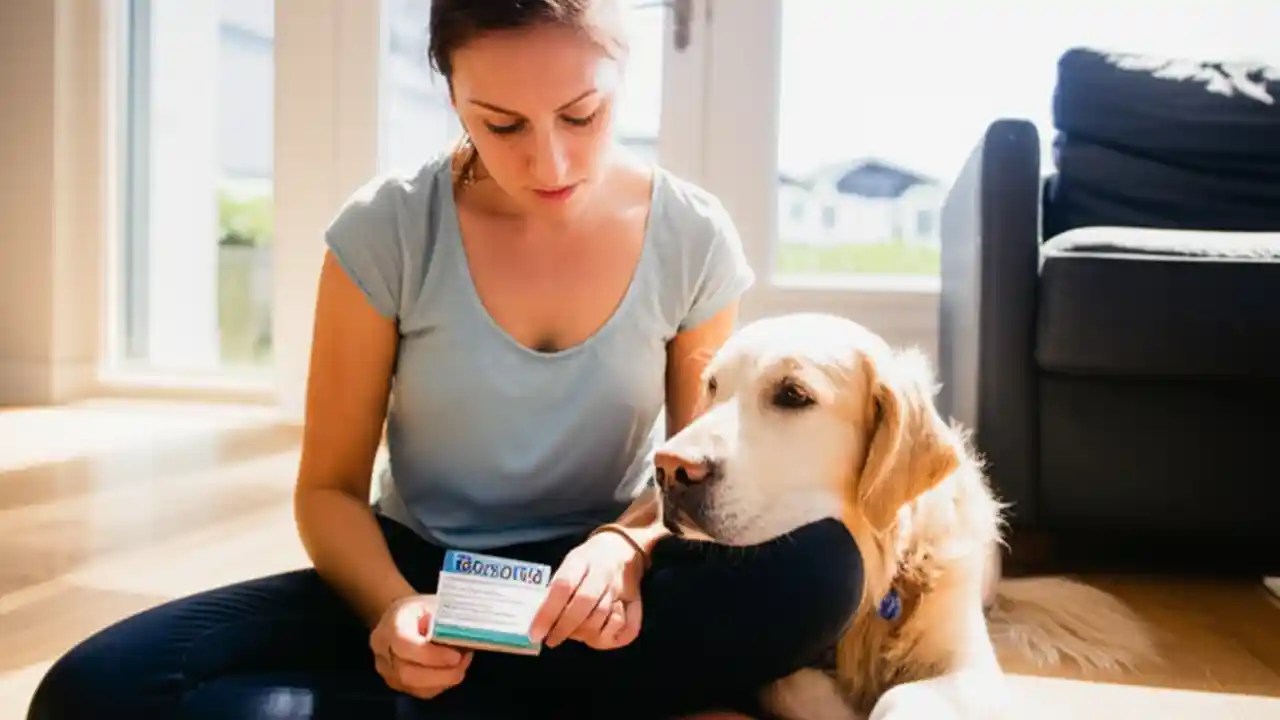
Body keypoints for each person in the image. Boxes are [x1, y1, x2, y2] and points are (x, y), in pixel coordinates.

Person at [26, 1, 863, 718]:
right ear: (454, 95)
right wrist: (394, 610)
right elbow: (327, 490)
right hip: (425, 573)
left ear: (623, 74)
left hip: (598, 586)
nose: (551, 161)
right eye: (501, 124)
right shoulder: (385, 229)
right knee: (91, 691)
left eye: (581, 114)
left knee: (825, 573)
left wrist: (622, 546)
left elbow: (689, 471)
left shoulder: (693, 235)